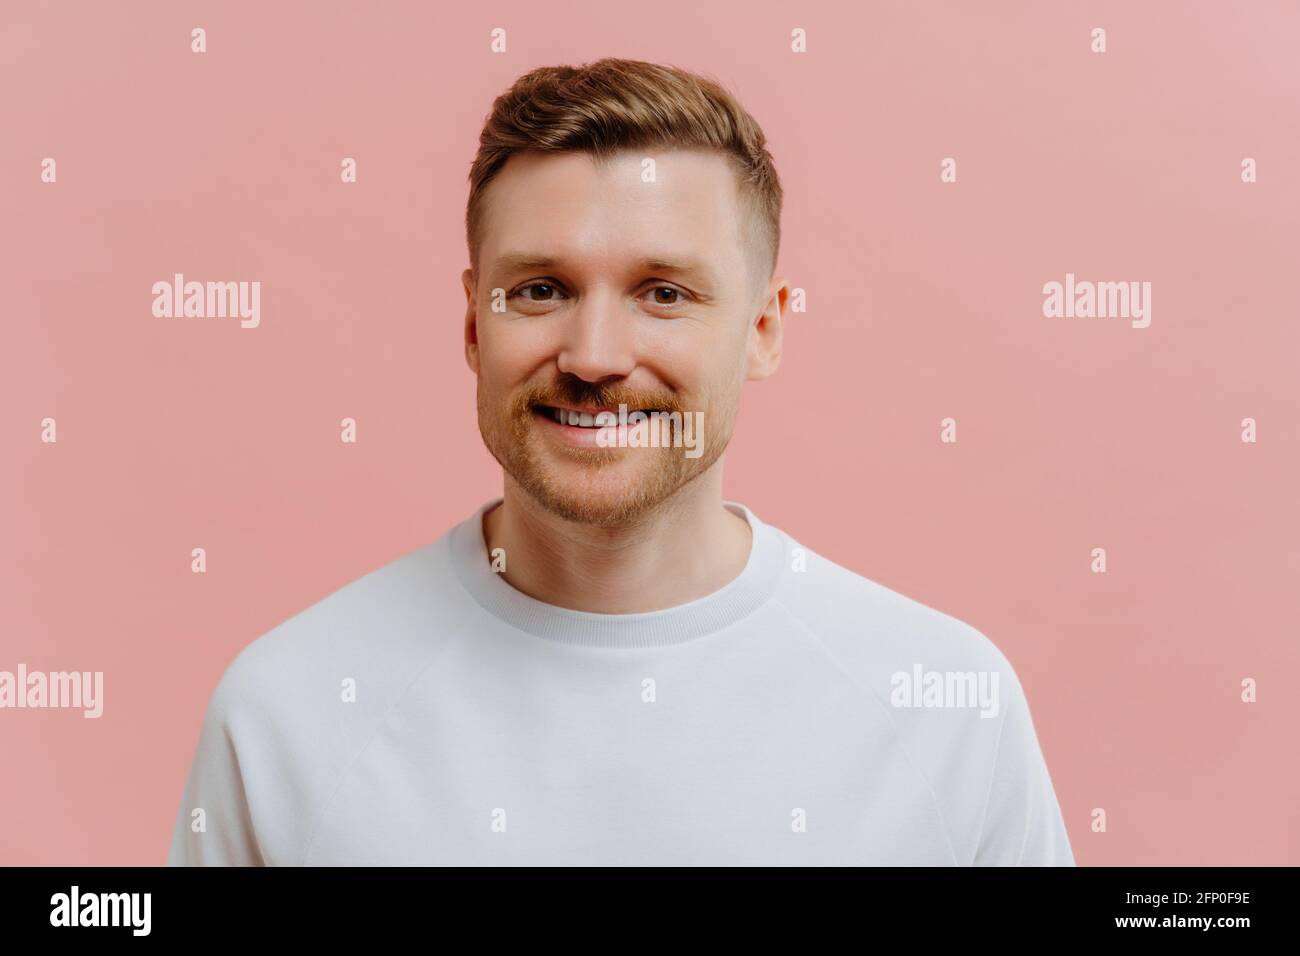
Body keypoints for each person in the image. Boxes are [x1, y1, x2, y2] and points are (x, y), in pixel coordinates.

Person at [167, 57, 1074, 866]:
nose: (593, 354)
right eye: (540, 290)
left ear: (763, 329)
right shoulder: (286, 711)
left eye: (664, 293)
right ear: (475, 326)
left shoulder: (948, 707)